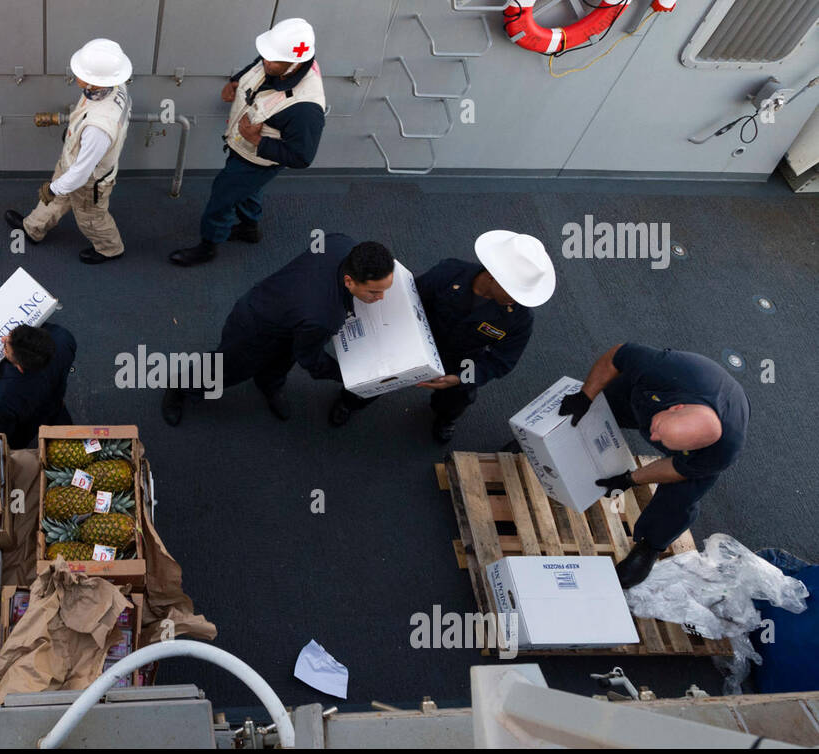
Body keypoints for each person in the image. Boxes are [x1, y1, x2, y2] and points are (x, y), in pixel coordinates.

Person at [329, 231, 555, 441]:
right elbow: (411, 299)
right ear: (493, 276)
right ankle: (353, 400)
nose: (517, 300)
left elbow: (502, 361)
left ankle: (445, 418)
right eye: (515, 291)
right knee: (377, 373)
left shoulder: (519, 319)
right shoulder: (449, 273)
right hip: (414, 339)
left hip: (459, 362)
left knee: (458, 398)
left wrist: (460, 377)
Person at [559, 343, 750, 588]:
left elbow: (678, 470)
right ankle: (551, 438)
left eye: (664, 442)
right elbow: (616, 357)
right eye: (659, 430)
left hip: (700, 434)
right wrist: (585, 397)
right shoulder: (665, 370)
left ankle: (649, 546)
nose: (653, 439)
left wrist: (629, 479)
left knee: (683, 494)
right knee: (597, 403)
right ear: (676, 408)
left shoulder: (721, 451)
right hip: (654, 394)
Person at [161, 235, 393, 425]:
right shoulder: (324, 316)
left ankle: (269, 385)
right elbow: (311, 361)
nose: (381, 298)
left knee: (280, 363)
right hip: (254, 327)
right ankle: (180, 387)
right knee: (224, 371)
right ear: (349, 281)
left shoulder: (341, 243)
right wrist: (352, 376)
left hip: (287, 318)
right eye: (374, 292)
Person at [169, 18, 326, 267]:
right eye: (265, 55)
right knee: (249, 189)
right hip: (243, 148)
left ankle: (208, 246)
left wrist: (256, 140)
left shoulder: (305, 108)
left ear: (295, 62)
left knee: (222, 195)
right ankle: (249, 229)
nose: (265, 62)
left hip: (257, 158)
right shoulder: (278, 59)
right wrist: (235, 81)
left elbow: (301, 157)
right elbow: (258, 65)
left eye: (271, 60)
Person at [5, 39, 132, 265]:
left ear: (96, 82)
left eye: (81, 73)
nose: (76, 75)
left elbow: (82, 173)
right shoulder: (115, 86)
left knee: (91, 218)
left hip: (89, 182)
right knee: (54, 201)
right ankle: (33, 229)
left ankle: (110, 248)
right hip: (72, 164)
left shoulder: (98, 129)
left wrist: (54, 188)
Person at [0, 323, 77, 450]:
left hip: (25, 427)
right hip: (53, 400)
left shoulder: (3, 397)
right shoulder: (64, 337)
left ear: (20, 367)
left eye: (6, 347)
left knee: (15, 443)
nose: (3, 339)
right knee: (60, 423)